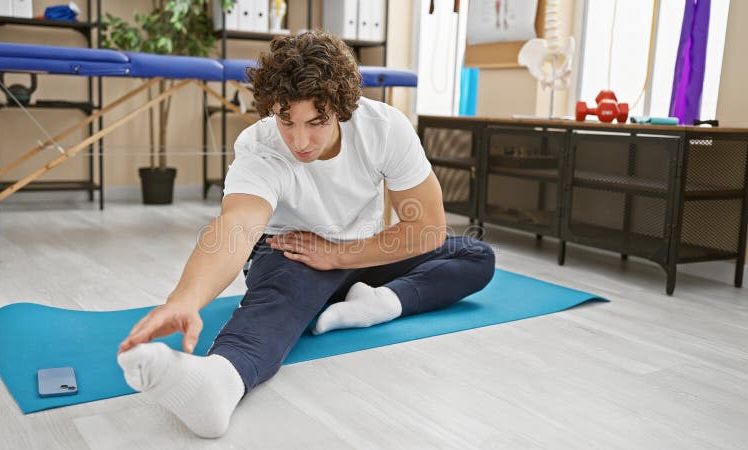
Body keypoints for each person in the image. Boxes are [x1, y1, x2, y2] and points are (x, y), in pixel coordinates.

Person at [116, 30, 495, 438]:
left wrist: (340, 256)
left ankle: (377, 304)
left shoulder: (384, 128)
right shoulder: (259, 147)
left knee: (475, 255)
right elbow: (236, 227)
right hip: (294, 253)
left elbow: (428, 228)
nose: (300, 140)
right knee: (279, 301)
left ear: (342, 109)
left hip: (364, 253)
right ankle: (219, 382)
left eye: (317, 122)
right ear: (272, 110)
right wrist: (184, 300)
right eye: (286, 120)